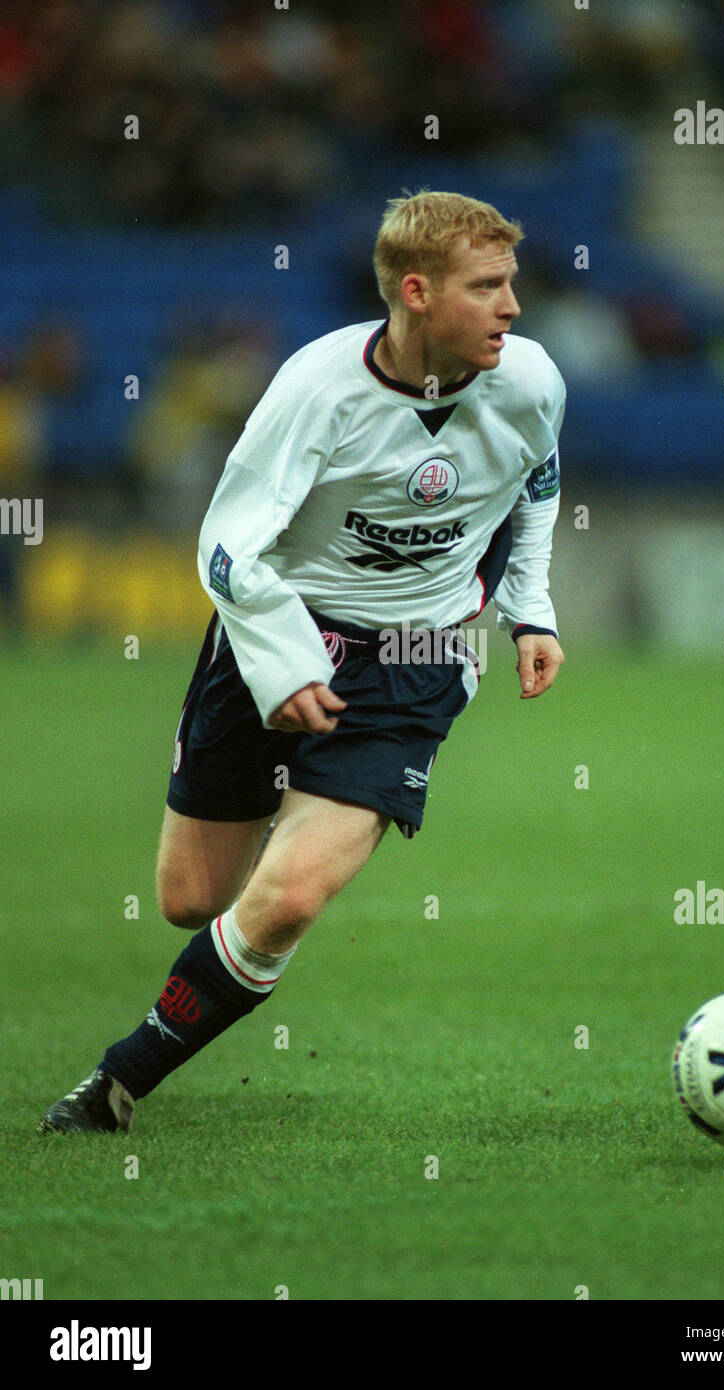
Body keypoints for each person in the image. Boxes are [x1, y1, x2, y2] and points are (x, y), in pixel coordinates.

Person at [39, 190, 566, 1134]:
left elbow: (536, 483)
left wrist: (531, 610)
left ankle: (115, 1086)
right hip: (273, 639)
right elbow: (226, 546)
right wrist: (283, 665)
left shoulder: (529, 381)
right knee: (190, 900)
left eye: (511, 284)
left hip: (419, 658)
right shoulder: (318, 389)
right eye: (487, 287)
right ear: (415, 292)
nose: (512, 307)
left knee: (289, 898)